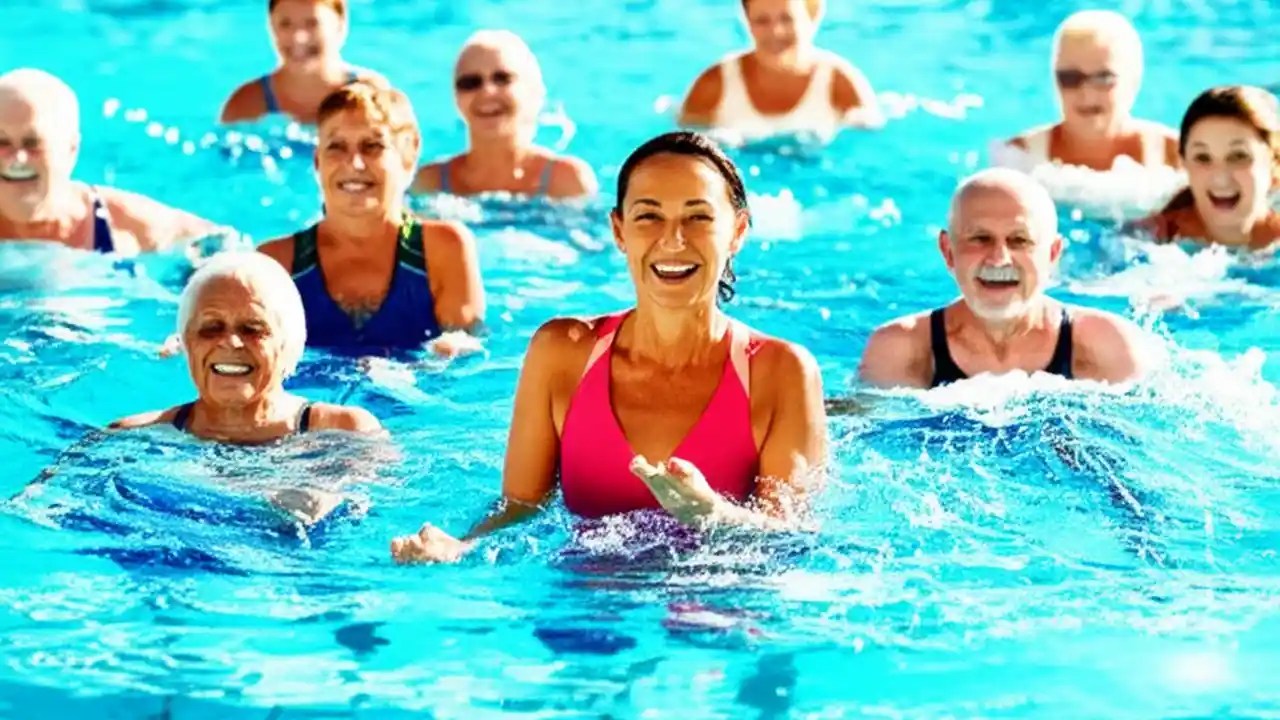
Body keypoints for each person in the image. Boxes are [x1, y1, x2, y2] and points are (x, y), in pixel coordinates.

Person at [391, 131, 828, 564]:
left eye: (698, 217)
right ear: (619, 231)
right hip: (584, 607)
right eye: (649, 217)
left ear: (737, 231)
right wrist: (460, 547)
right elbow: (521, 509)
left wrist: (715, 516)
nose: (673, 240)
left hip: (714, 604)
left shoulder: (780, 371)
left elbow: (793, 539)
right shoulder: (562, 354)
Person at [109, 252, 382, 522]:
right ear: (186, 343)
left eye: (252, 328)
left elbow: (378, 509)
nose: (230, 343)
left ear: (289, 343)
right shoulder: (132, 437)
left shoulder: (345, 430)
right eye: (211, 327)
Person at [859, 168, 1148, 388]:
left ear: (1052, 254)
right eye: (980, 238)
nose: (999, 258)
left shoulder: (1110, 348)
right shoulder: (900, 351)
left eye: (1019, 240)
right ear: (948, 252)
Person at [258, 81, 485, 350]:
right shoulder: (277, 265)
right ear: (318, 161)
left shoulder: (443, 249)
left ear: (408, 157)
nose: (354, 163)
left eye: (372, 146)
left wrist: (439, 358)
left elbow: (465, 356)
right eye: (337, 146)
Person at [0, 69, 220, 255]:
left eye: (33, 143)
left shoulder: (123, 225)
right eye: (2, 142)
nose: (17, 159)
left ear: (71, 150)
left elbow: (225, 247)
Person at [411, 30, 597, 199]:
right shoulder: (429, 183)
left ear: (532, 90)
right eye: (470, 82)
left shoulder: (567, 181)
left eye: (503, 79)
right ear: (456, 98)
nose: (487, 92)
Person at [995, 10, 1177, 172]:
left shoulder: (1173, 156)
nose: (1087, 94)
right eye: (1070, 78)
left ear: (1133, 82)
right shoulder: (1019, 157)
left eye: (1103, 78)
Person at [678, 0, 884, 140]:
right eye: (762, 21)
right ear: (747, 22)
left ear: (811, 16)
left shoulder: (841, 84)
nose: (776, 32)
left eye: (787, 18)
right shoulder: (713, 86)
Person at [1133, 86, 1280, 249]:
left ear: (1275, 164)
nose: (1220, 179)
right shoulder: (1143, 240)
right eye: (1202, 157)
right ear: (1184, 164)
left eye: (1239, 156)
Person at [220, 0, 386, 125]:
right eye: (285, 24)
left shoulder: (372, 94)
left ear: (340, 26)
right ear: (271, 27)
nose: (298, 38)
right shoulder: (247, 106)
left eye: (312, 23)